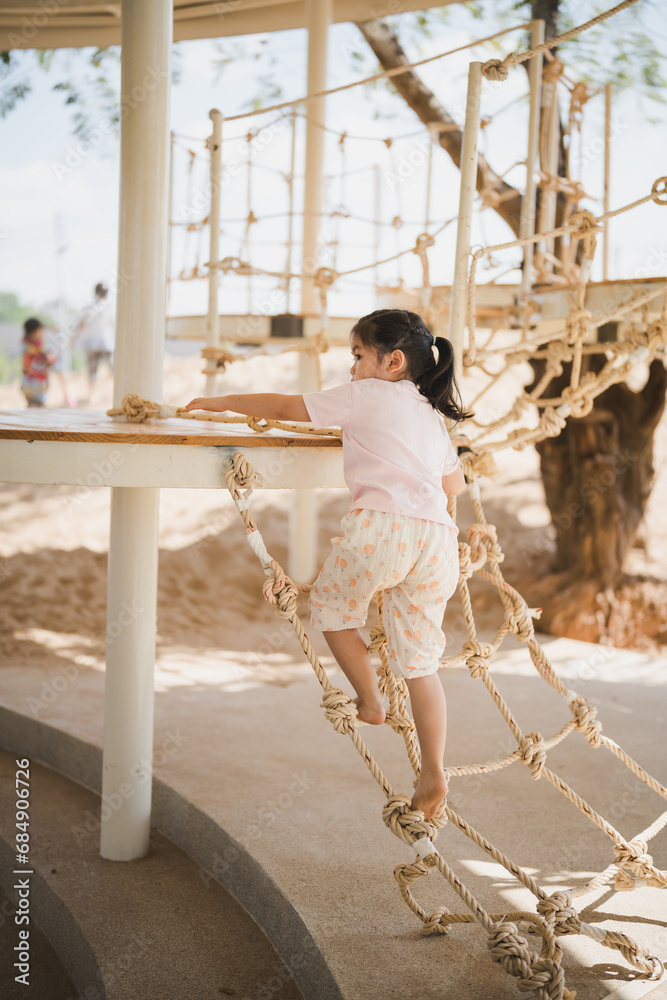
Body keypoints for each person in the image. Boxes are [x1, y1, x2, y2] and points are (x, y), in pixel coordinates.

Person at [184, 308, 469, 820]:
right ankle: (434, 771)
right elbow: (454, 486)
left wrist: (224, 403)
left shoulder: (365, 394)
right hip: (438, 542)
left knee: (334, 612)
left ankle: (370, 701)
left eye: (358, 356)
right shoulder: (432, 414)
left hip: (382, 530)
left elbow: (288, 405)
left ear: (392, 361)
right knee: (421, 664)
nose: (353, 368)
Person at [71, 282, 115, 399]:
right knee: (113, 369)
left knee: (92, 371)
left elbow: (81, 325)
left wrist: (74, 340)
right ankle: (113, 394)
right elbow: (114, 325)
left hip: (91, 344)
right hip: (105, 343)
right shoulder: (109, 307)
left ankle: (92, 396)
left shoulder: (88, 307)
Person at [21, 318, 57, 407]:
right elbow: (50, 360)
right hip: (37, 383)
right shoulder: (39, 348)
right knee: (39, 407)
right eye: (41, 331)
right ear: (36, 332)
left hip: (28, 383)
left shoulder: (24, 345)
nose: (43, 334)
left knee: (31, 406)